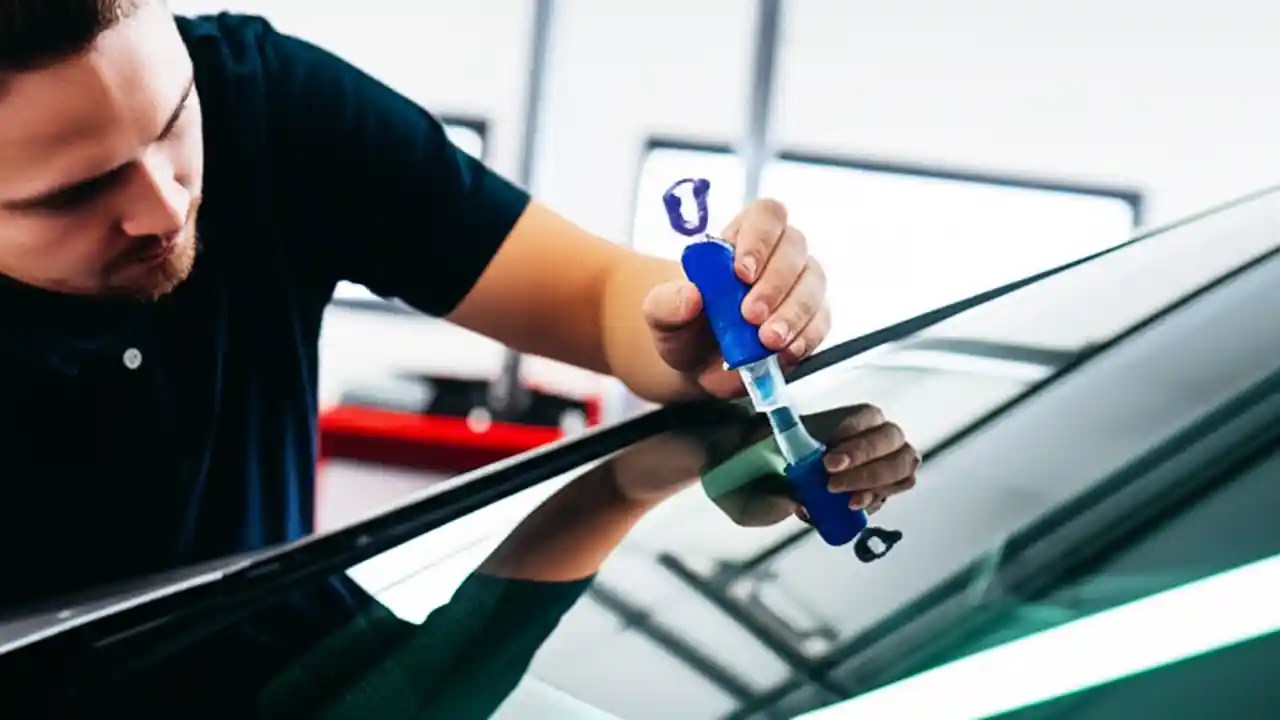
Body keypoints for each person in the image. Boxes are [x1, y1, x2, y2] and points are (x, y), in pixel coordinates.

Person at [0, 1, 922, 616]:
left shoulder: (266, 102)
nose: (166, 205)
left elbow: (599, 297)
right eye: (73, 193)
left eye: (174, 123)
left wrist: (696, 331)